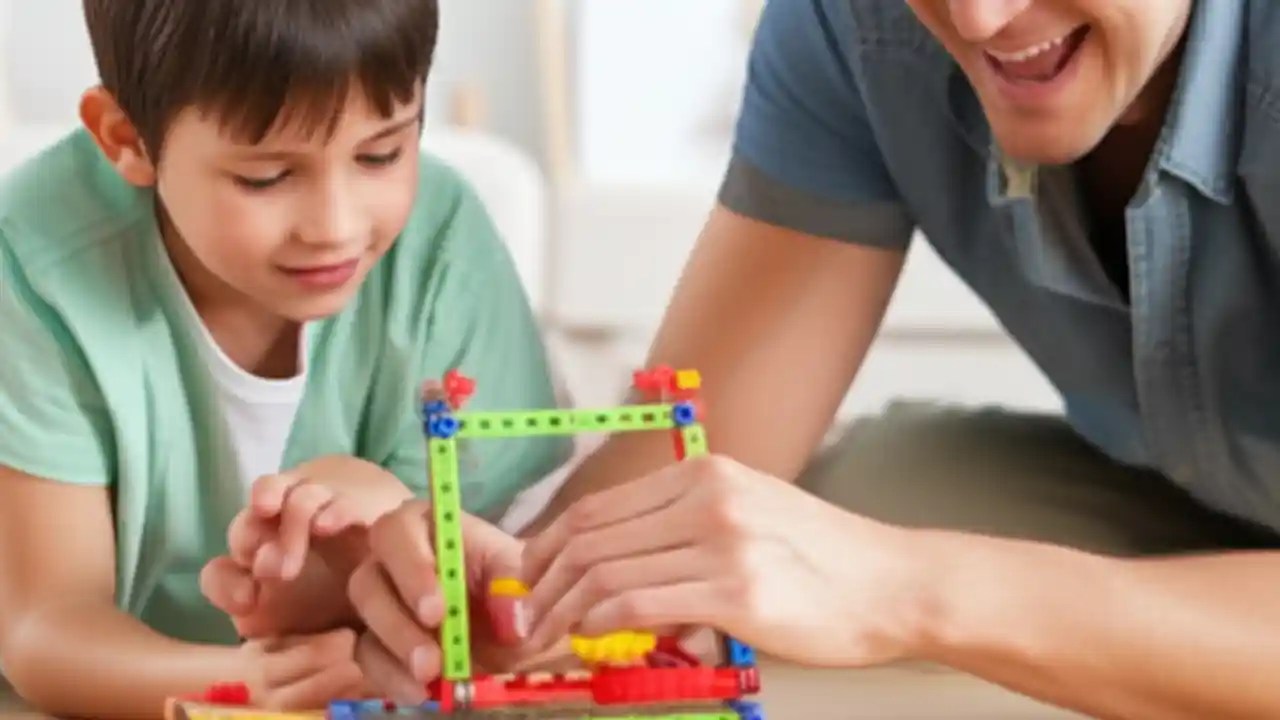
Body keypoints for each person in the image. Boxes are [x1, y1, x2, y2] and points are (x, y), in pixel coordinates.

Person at [345, 0, 1280, 717]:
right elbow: (695, 472)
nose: (980, 20)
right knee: (837, 506)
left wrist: (906, 591)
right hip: (1199, 519)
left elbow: (880, 584)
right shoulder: (857, 26)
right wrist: (493, 605)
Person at [0, 1, 571, 717]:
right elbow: (45, 631)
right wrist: (250, 684)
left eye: (381, 155)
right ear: (128, 139)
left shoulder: (444, 242)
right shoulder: (35, 264)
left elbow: (493, 596)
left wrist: (377, 521)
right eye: (266, 178)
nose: (336, 227)